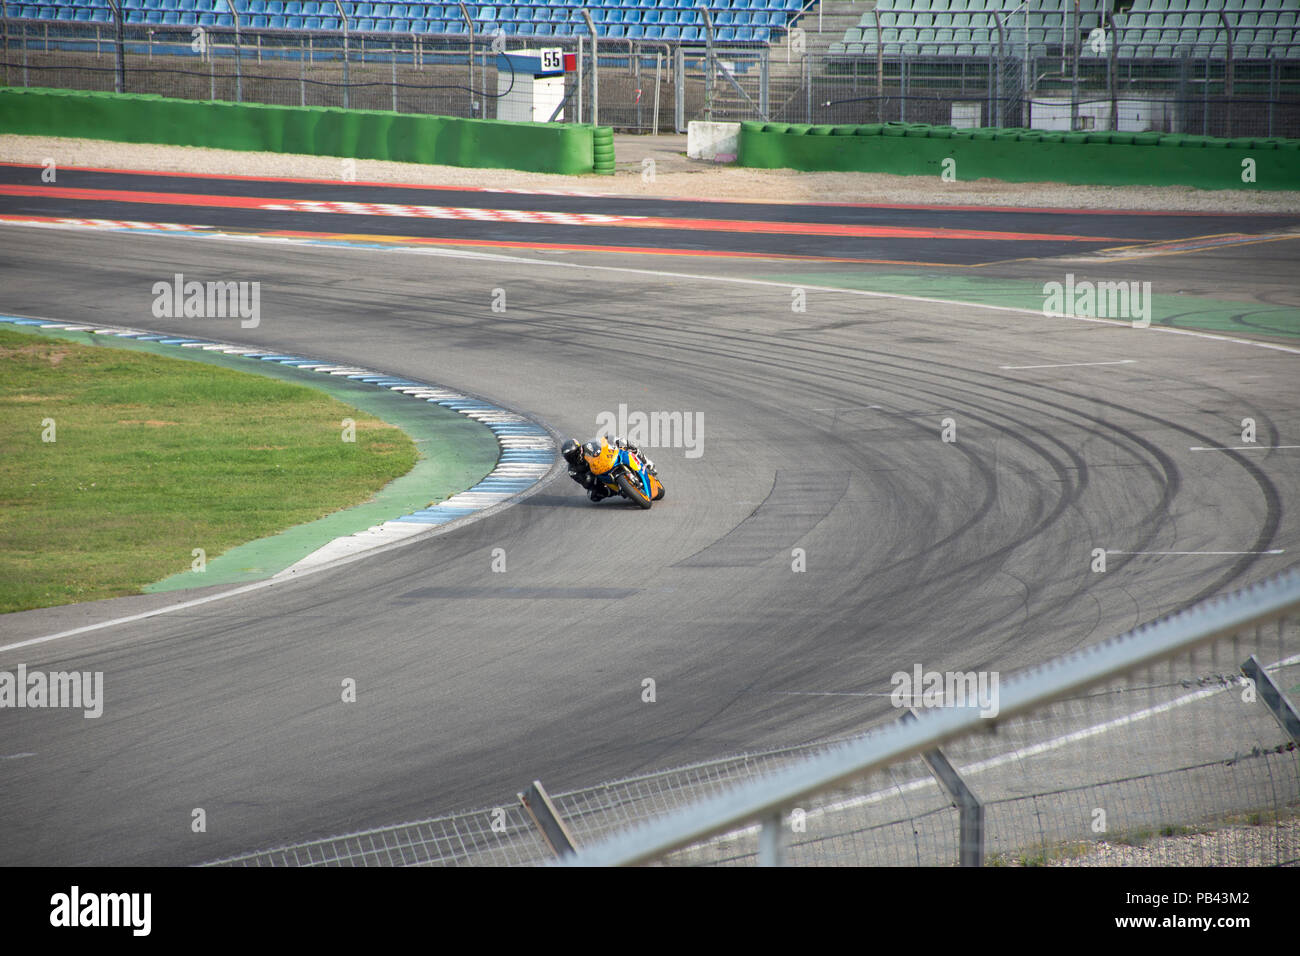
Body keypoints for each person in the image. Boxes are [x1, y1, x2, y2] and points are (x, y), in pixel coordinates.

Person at [561, 435, 650, 502]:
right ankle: (616, 491)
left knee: (623, 443)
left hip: (606, 463)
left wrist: (610, 441)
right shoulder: (572, 470)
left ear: (579, 450)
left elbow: (602, 443)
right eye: (569, 457)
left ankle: (645, 460)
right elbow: (585, 484)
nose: (572, 459)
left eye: (573, 455)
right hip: (598, 476)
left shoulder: (588, 447)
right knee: (592, 495)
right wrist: (588, 478)